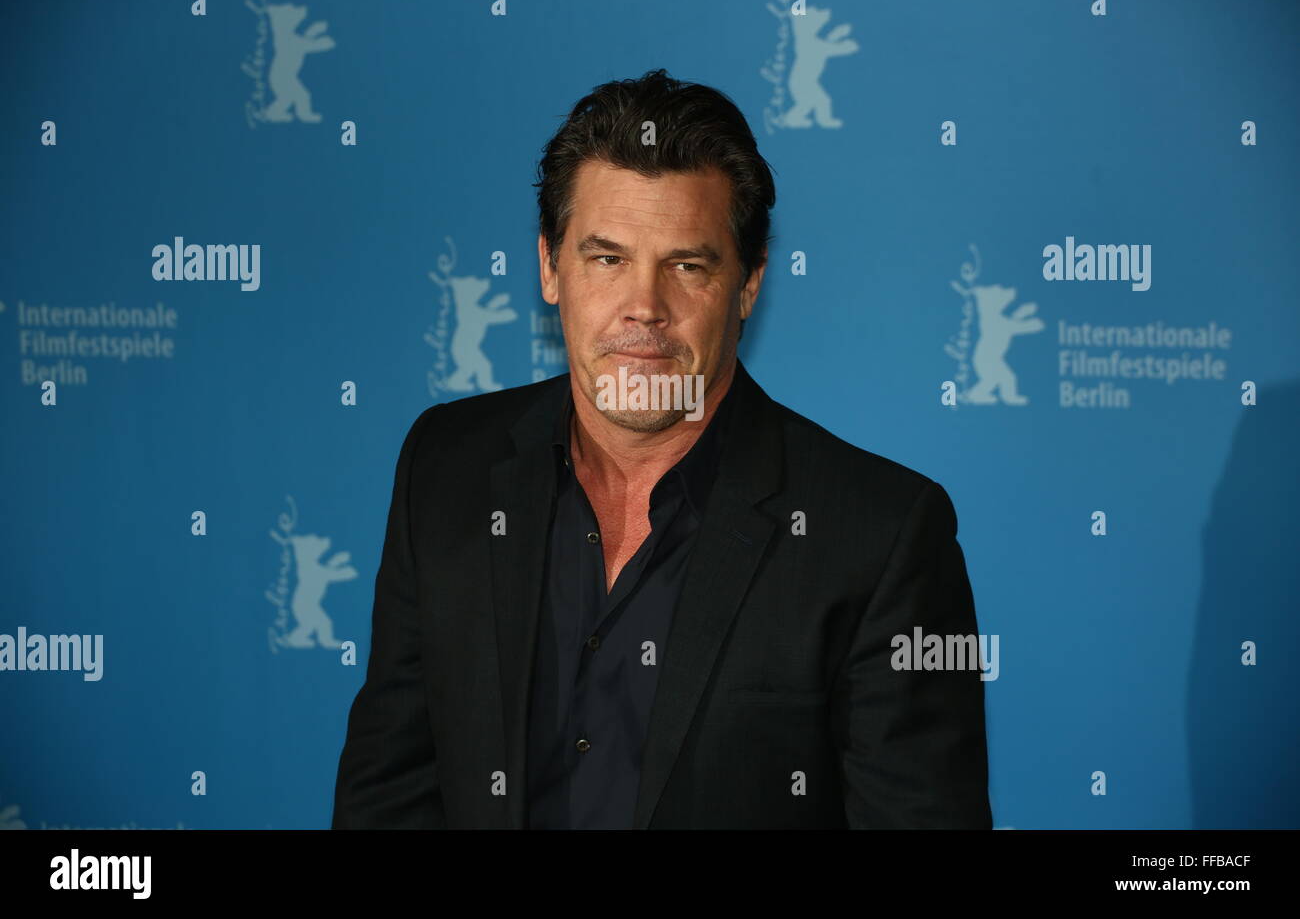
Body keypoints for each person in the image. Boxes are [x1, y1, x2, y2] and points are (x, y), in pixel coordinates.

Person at [332, 68, 992, 829]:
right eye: (606, 259)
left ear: (747, 284)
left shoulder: (879, 537)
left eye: (687, 265)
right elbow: (387, 800)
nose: (643, 308)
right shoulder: (446, 469)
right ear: (550, 268)